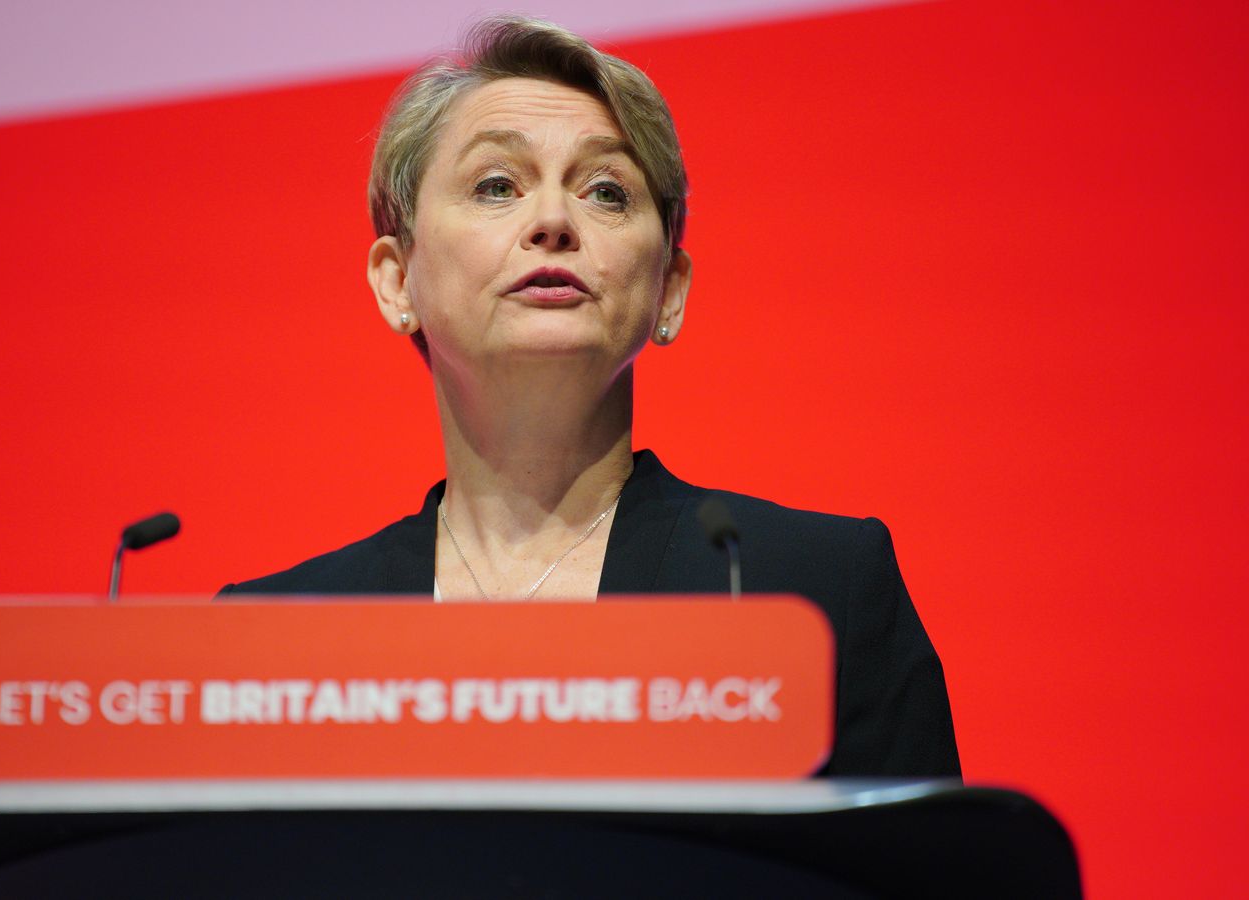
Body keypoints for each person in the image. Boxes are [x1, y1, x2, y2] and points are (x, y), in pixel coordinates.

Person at [220, 15, 959, 778]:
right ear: (396, 279)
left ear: (669, 288)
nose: (551, 223)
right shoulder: (271, 640)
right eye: (496, 185)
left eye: (606, 192)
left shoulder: (809, 593)